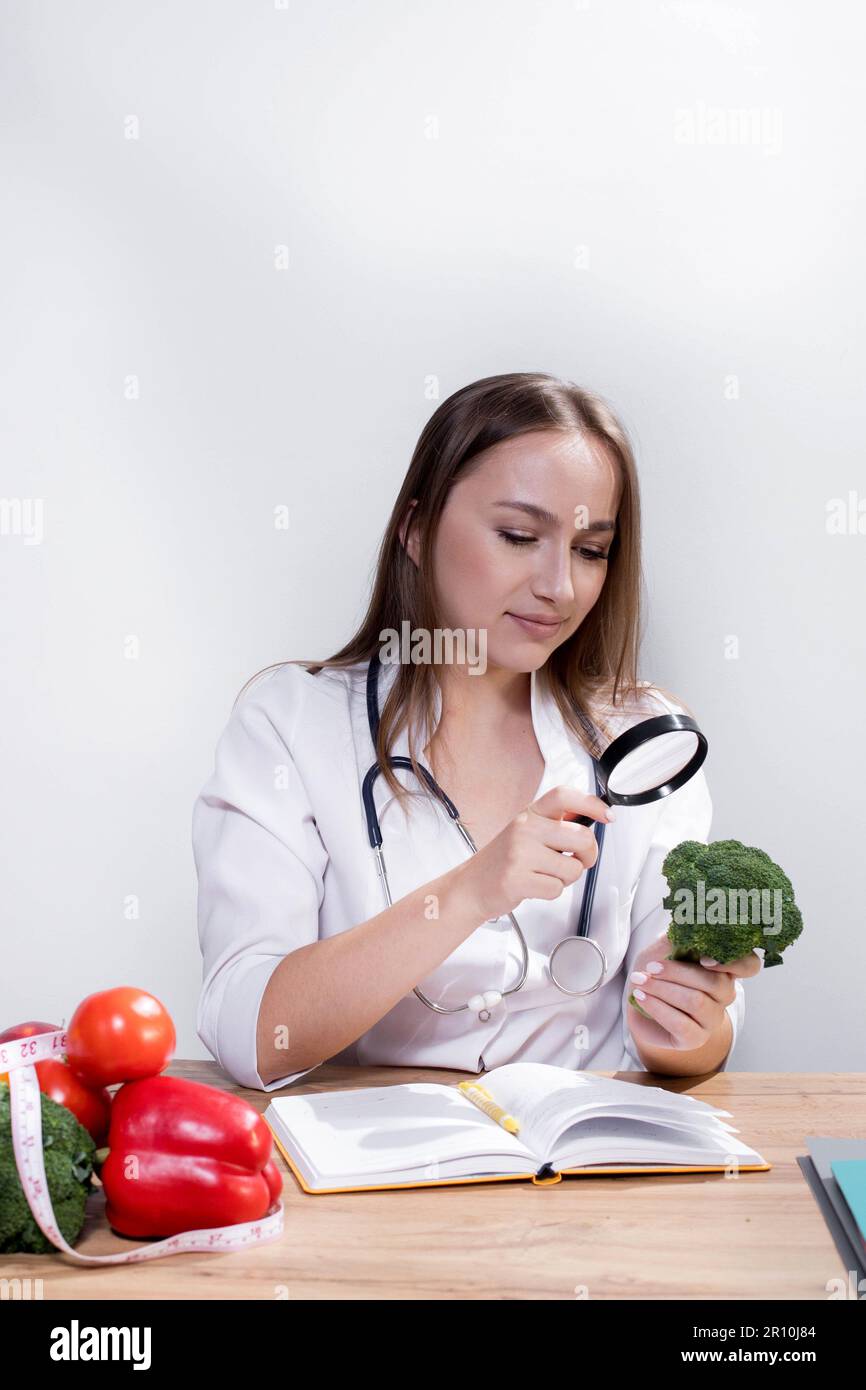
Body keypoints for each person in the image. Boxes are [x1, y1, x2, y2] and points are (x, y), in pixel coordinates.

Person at [191, 372, 759, 1092]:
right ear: (418, 531)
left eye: (591, 550)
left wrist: (683, 1028)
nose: (560, 585)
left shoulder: (645, 739)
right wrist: (471, 891)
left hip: (589, 1176)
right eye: (520, 536)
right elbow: (250, 1031)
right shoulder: (290, 725)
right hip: (372, 1177)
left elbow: (696, 1029)